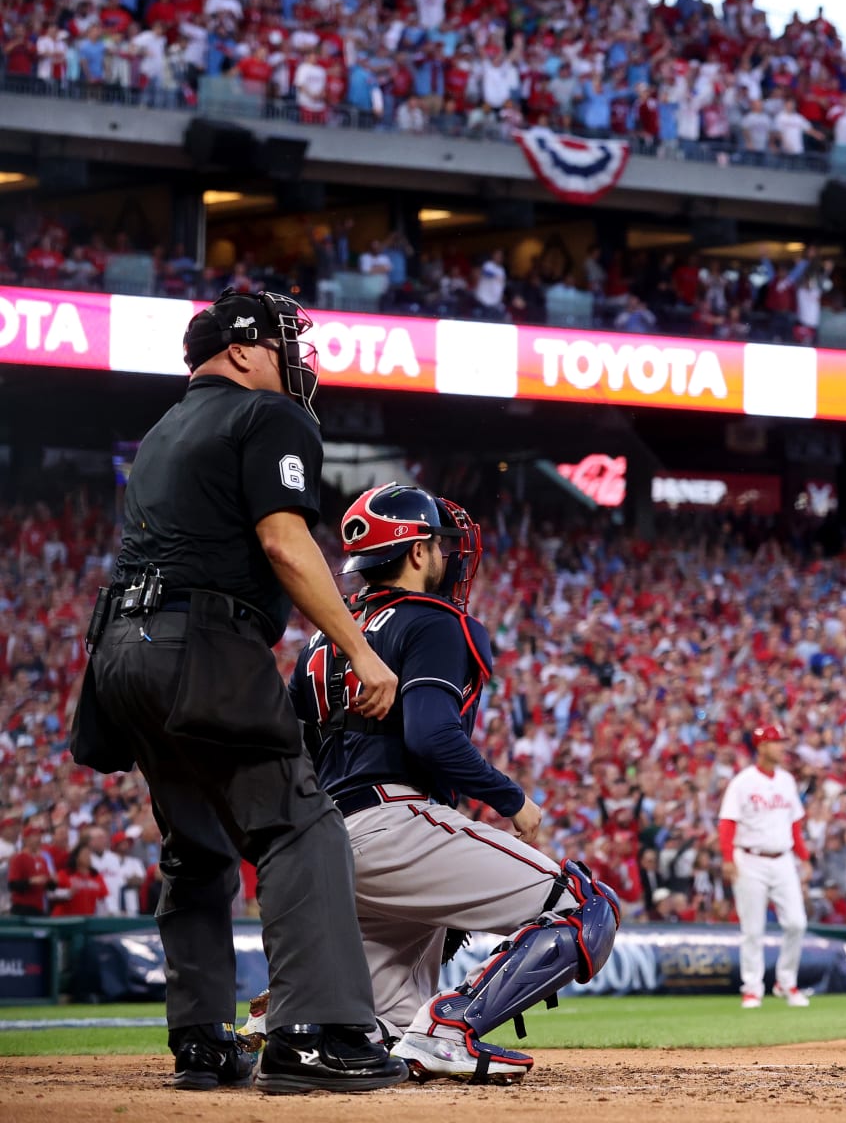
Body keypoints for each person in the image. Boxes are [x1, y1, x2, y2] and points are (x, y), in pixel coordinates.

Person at [72, 290, 408, 1094]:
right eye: (286, 341)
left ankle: (201, 1042)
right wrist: (360, 650)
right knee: (301, 825)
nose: (298, 357)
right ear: (243, 350)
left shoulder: (160, 430)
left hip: (119, 651)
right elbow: (285, 542)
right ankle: (315, 1033)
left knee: (198, 845)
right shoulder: (270, 416)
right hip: (199, 641)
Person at [270, 483, 621, 1085]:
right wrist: (514, 800)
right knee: (585, 907)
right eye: (437, 544)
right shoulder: (432, 620)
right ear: (414, 552)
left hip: (326, 844)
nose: (447, 555)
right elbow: (431, 737)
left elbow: (295, 755)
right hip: (394, 821)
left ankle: (336, 1029)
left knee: (392, 1036)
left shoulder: (323, 643)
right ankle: (453, 1024)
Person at [719, 723, 812, 1008]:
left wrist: (804, 858)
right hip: (749, 858)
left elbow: (794, 824)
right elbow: (727, 822)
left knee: (797, 923)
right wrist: (727, 858)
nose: (782, 747)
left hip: (783, 859)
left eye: (782, 741)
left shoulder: (786, 780)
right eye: (776, 742)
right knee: (753, 929)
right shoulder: (743, 781)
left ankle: (786, 982)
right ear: (761, 747)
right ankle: (752, 988)